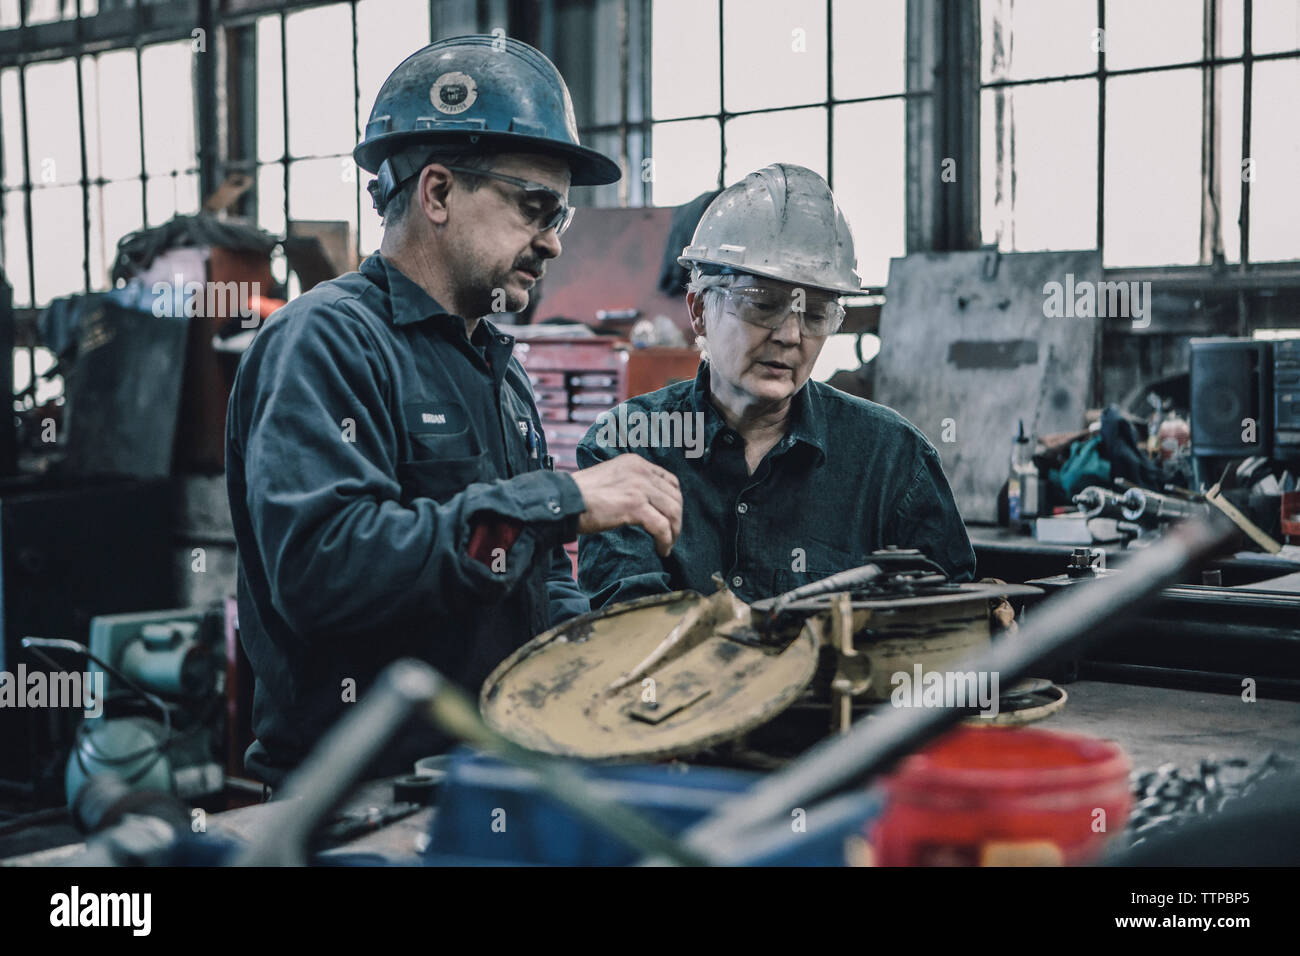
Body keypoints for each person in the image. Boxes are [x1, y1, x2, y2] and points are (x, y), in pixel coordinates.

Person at [226, 36, 682, 785]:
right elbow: (325, 571)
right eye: (534, 207)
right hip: (355, 804)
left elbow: (534, 576)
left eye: (560, 216)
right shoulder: (327, 341)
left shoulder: (499, 370)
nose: (553, 243)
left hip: (487, 784)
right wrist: (557, 500)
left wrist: (611, 658)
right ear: (436, 193)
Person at [577, 163, 974, 609]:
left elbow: (947, 626)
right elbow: (625, 631)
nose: (790, 335)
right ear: (699, 311)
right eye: (762, 305)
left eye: (816, 313)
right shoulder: (630, 446)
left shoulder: (894, 459)